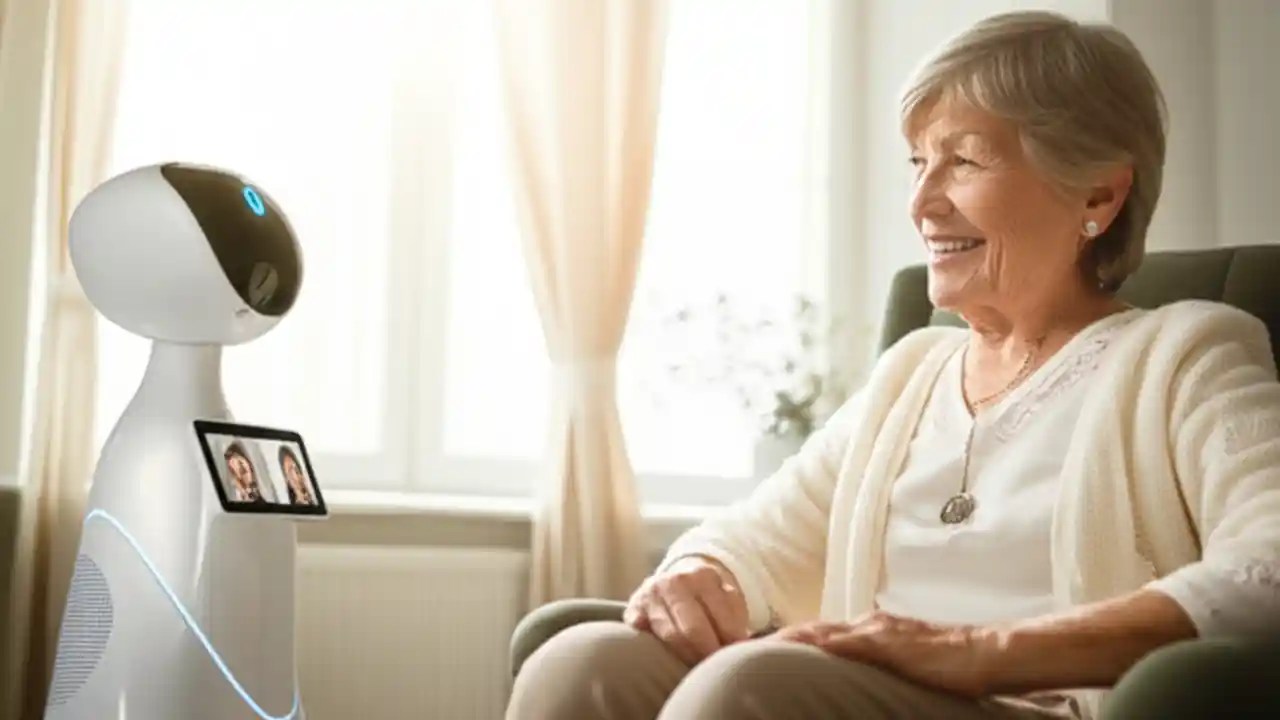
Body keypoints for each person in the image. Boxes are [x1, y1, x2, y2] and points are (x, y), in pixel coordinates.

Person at [506, 10, 1280, 720]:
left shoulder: (1187, 355)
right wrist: (701, 571)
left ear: (1100, 194)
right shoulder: (913, 373)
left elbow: (1267, 569)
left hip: (1043, 707)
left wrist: (977, 654)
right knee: (580, 664)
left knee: (749, 688)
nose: (923, 202)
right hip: (867, 695)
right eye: (919, 161)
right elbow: (760, 538)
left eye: (965, 161)